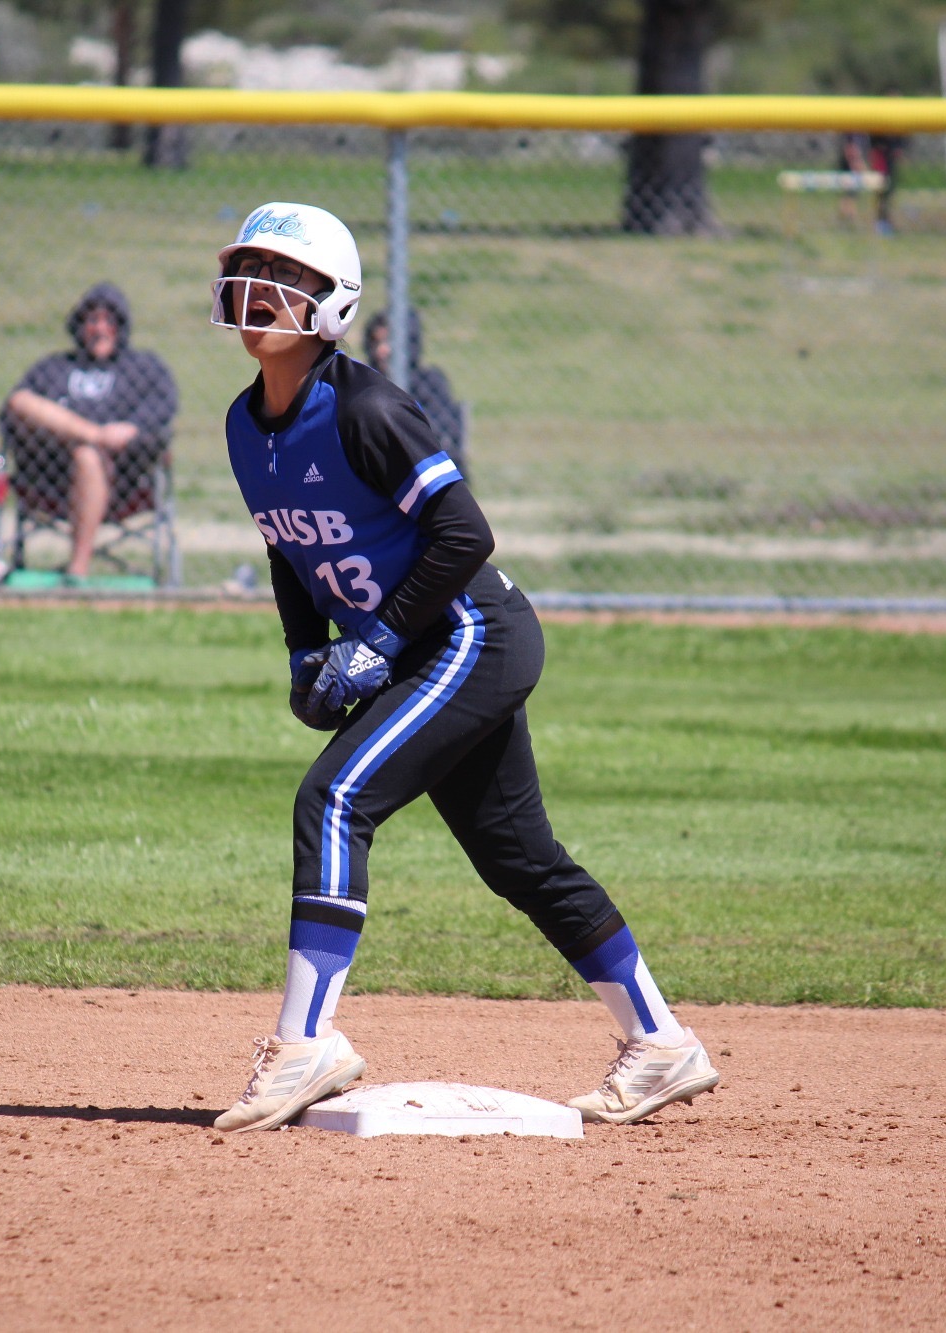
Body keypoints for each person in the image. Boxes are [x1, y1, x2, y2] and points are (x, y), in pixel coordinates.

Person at [207, 202, 721, 1134]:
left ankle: (305, 1041)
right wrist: (303, 649)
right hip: (423, 645)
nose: (258, 290)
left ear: (331, 303)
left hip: (471, 633)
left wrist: (374, 641)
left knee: (333, 799)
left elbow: (464, 533)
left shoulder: (364, 408)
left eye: (285, 276)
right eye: (248, 268)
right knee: (520, 859)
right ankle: (662, 1042)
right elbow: (289, 549)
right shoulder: (246, 426)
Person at [0, 284, 178, 579]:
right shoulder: (54, 368)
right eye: (92, 320)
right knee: (24, 402)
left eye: (109, 321)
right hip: (50, 477)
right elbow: (16, 408)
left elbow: (164, 408)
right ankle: (92, 436)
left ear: (121, 327)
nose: (100, 329)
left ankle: (77, 571)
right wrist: (95, 435)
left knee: (87, 456)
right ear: (78, 326)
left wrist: (132, 430)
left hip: (123, 481)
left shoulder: (144, 368)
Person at [362, 308, 467, 476]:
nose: (382, 351)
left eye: (389, 341)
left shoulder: (430, 383)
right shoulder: (364, 384)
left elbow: (444, 438)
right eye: (376, 342)